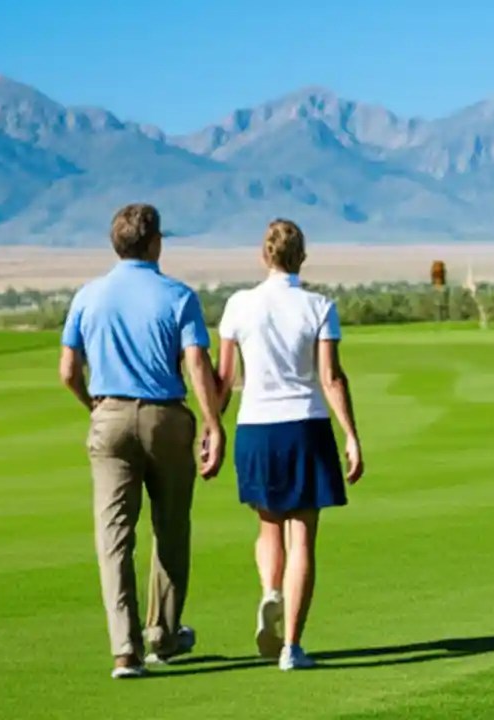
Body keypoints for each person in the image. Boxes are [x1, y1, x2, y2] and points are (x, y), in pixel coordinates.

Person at [59, 203, 225, 679]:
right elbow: (196, 366)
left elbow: (68, 371)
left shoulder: (88, 296)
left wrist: (94, 406)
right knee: (170, 528)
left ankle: (124, 650)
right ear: (154, 243)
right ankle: (164, 636)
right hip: (166, 418)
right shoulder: (178, 296)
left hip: (108, 414)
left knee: (114, 538)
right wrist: (213, 424)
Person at [215, 218, 364, 671]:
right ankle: (292, 647)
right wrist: (352, 436)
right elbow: (330, 377)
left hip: (255, 428)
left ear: (265, 256)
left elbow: (224, 378)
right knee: (303, 537)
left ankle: (270, 592)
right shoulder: (319, 305)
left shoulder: (238, 305)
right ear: (301, 257)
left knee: (268, 525)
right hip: (306, 425)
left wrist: (210, 427)